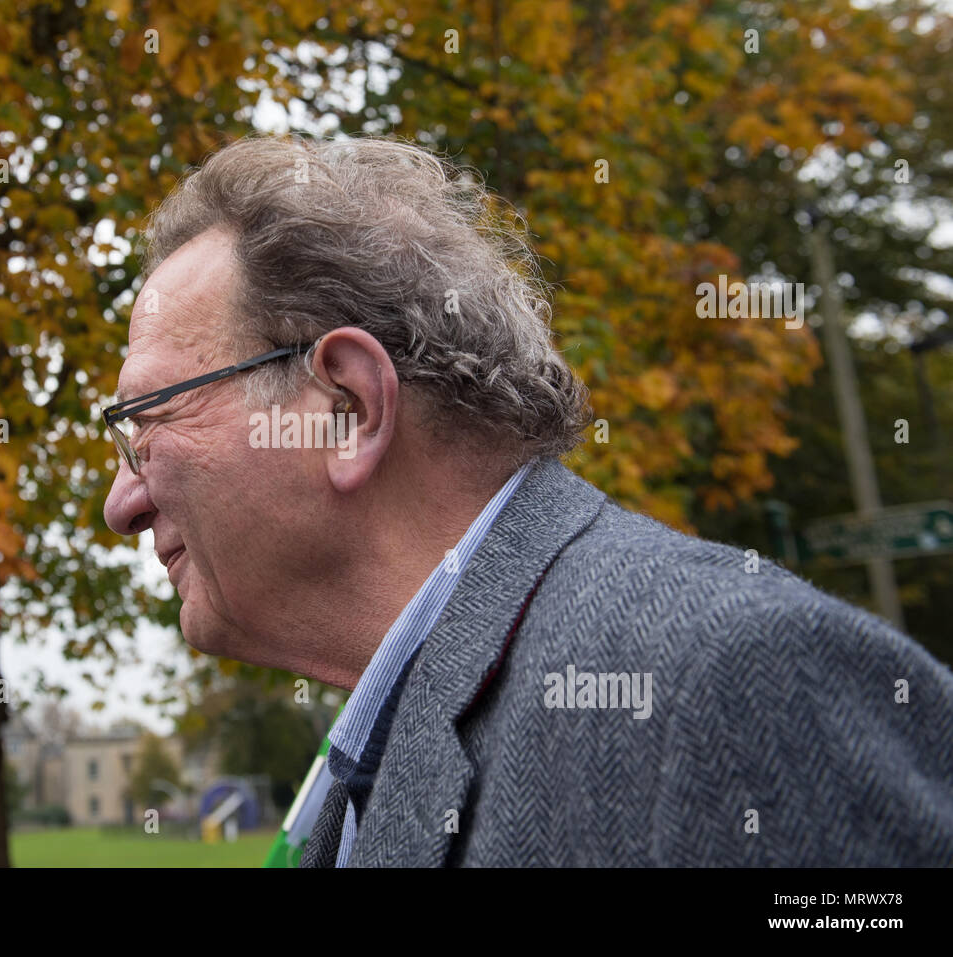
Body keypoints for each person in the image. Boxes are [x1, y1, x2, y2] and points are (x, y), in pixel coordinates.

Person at [102, 133, 953, 866]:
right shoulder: (361, 762)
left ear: (347, 409)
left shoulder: (730, 684)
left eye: (147, 420)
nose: (122, 503)